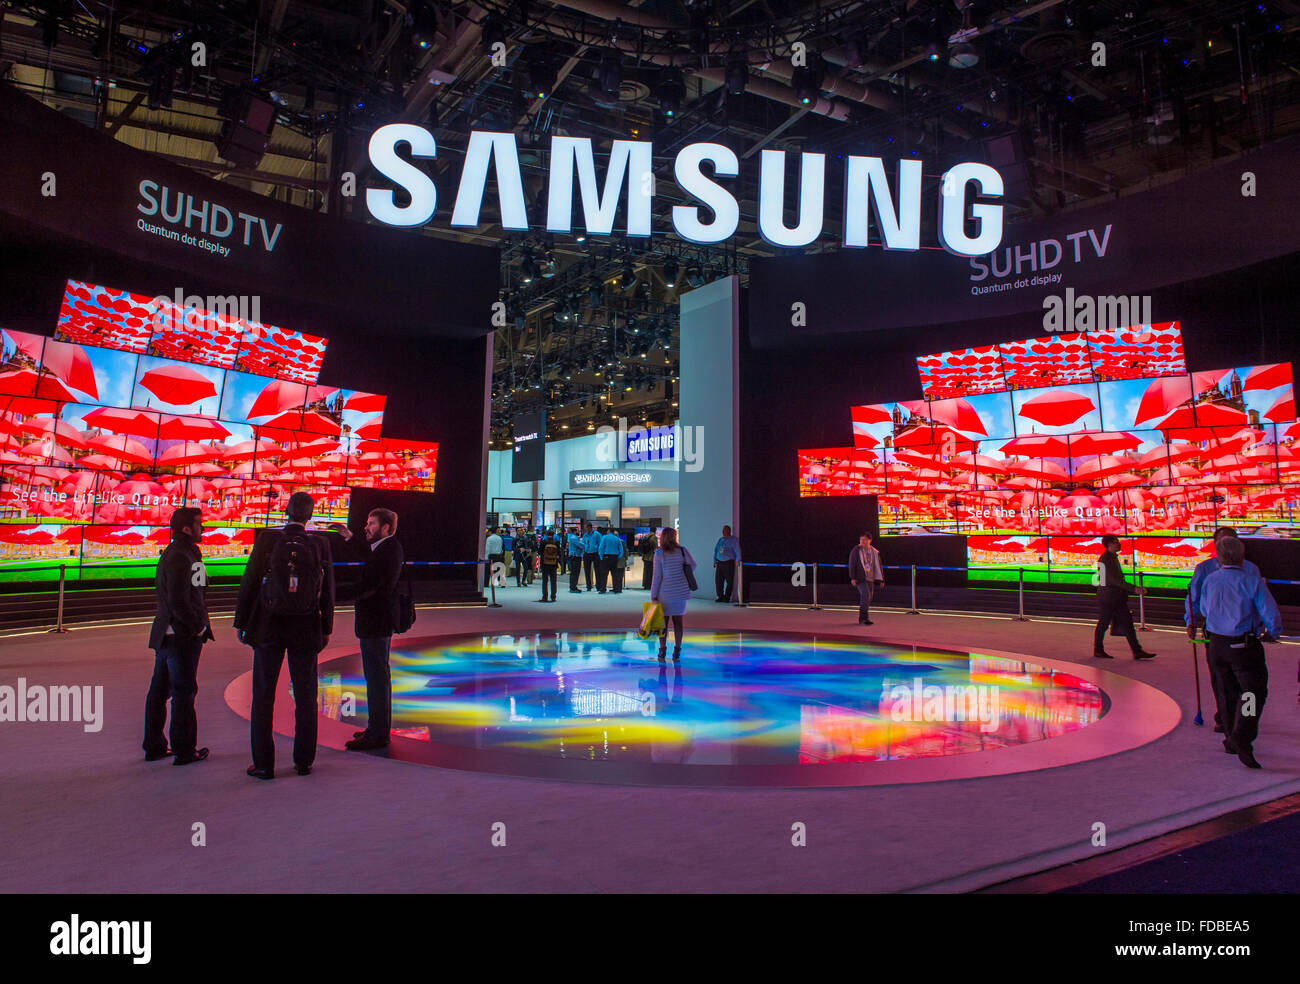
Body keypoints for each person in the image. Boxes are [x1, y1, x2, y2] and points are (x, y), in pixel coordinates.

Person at [234, 492, 336, 780]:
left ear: (286, 512)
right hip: (306, 627)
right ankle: (303, 761)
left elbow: (250, 581)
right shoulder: (320, 543)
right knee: (306, 696)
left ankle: (264, 764)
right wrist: (326, 627)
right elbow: (327, 591)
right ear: (310, 514)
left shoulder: (267, 539)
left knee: (263, 695)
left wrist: (241, 623)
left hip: (268, 626)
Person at [1200, 536, 1282, 769]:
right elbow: (1270, 613)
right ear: (1242, 555)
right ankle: (1241, 736)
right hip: (1243, 645)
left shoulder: (1211, 580)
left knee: (1226, 692)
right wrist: (1273, 633)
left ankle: (1230, 736)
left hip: (1216, 644)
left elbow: (1204, 609)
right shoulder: (1251, 581)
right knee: (1253, 693)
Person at [143, 507, 213, 766]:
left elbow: (197, 590)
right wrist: (197, 626)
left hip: (168, 633)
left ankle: (154, 745)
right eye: (198, 524)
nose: (202, 528)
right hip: (181, 635)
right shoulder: (183, 556)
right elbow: (180, 600)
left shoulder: (179, 553)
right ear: (186, 528)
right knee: (184, 692)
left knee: (160, 691)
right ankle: (185, 750)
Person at [340, 508, 404, 752]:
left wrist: (334, 595)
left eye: (371, 524)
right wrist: (349, 537)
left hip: (376, 623)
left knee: (377, 679)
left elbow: (371, 584)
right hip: (375, 623)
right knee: (376, 677)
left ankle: (377, 734)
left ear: (386, 527)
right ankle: (376, 728)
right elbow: (368, 556)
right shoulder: (384, 548)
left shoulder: (389, 550)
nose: (366, 527)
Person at [1185, 527, 1261, 732]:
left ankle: (1241, 722)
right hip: (1218, 636)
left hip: (1243, 637)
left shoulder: (1251, 570)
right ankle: (1231, 723)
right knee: (1226, 682)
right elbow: (1193, 599)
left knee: (1248, 687)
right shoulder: (1205, 570)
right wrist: (1190, 622)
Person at [1093, 534, 1156, 660]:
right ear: (1110, 544)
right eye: (1117, 542)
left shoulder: (1109, 558)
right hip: (1109, 598)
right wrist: (1133, 588)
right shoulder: (1105, 559)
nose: (1119, 543)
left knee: (1126, 624)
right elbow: (1113, 580)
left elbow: (1109, 580)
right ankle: (1099, 650)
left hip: (1114, 597)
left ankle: (1137, 651)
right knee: (1104, 624)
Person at [650, 527, 698, 661]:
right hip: (680, 592)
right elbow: (693, 565)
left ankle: (662, 649)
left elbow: (657, 576)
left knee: (663, 623)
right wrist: (681, 573)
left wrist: (653, 594)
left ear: (663, 538)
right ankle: (677, 649)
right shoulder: (683, 551)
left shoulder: (659, 554)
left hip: (664, 592)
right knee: (678, 622)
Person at [847, 532, 884, 626]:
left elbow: (878, 566)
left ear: (869, 540)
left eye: (864, 539)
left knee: (869, 598)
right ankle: (864, 618)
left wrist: (881, 579)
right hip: (860, 578)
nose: (862, 541)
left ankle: (863, 617)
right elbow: (852, 564)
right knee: (866, 595)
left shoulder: (874, 552)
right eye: (861, 540)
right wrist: (853, 577)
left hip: (871, 578)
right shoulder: (856, 550)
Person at [713, 525, 741, 602]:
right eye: (722, 530)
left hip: (728, 563)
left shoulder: (733, 540)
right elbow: (716, 550)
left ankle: (727, 597)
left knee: (729, 581)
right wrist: (714, 560)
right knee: (718, 581)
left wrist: (738, 560)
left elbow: (737, 550)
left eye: (725, 530)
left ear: (729, 531)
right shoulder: (720, 540)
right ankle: (720, 596)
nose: (723, 532)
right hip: (719, 562)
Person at [598, 526, 625, 593]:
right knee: (615, 574)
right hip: (614, 557)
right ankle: (616, 589)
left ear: (608, 531)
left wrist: (601, 557)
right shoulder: (617, 539)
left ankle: (603, 589)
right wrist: (618, 557)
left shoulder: (604, 537)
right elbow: (621, 550)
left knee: (604, 574)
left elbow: (601, 548)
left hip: (606, 557)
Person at [538, 528, 561, 602]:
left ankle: (545, 596)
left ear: (546, 535)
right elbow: (559, 553)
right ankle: (553, 596)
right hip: (553, 563)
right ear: (553, 535)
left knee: (545, 580)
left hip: (545, 563)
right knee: (553, 580)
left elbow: (540, 552)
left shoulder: (543, 542)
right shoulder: (556, 542)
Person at [581, 522, 601, 591]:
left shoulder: (597, 534)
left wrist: (599, 553)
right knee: (587, 571)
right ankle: (588, 586)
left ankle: (598, 586)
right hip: (587, 554)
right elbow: (583, 544)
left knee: (597, 571)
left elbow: (600, 544)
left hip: (595, 554)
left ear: (589, 527)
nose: (585, 529)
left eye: (586, 527)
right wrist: (583, 552)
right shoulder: (585, 535)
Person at [567, 526, 586, 592]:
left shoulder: (573, 538)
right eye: (578, 531)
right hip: (575, 557)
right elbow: (581, 545)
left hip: (576, 556)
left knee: (575, 572)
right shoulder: (573, 538)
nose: (579, 532)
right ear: (574, 531)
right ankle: (573, 587)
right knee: (575, 572)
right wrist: (585, 544)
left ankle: (573, 586)